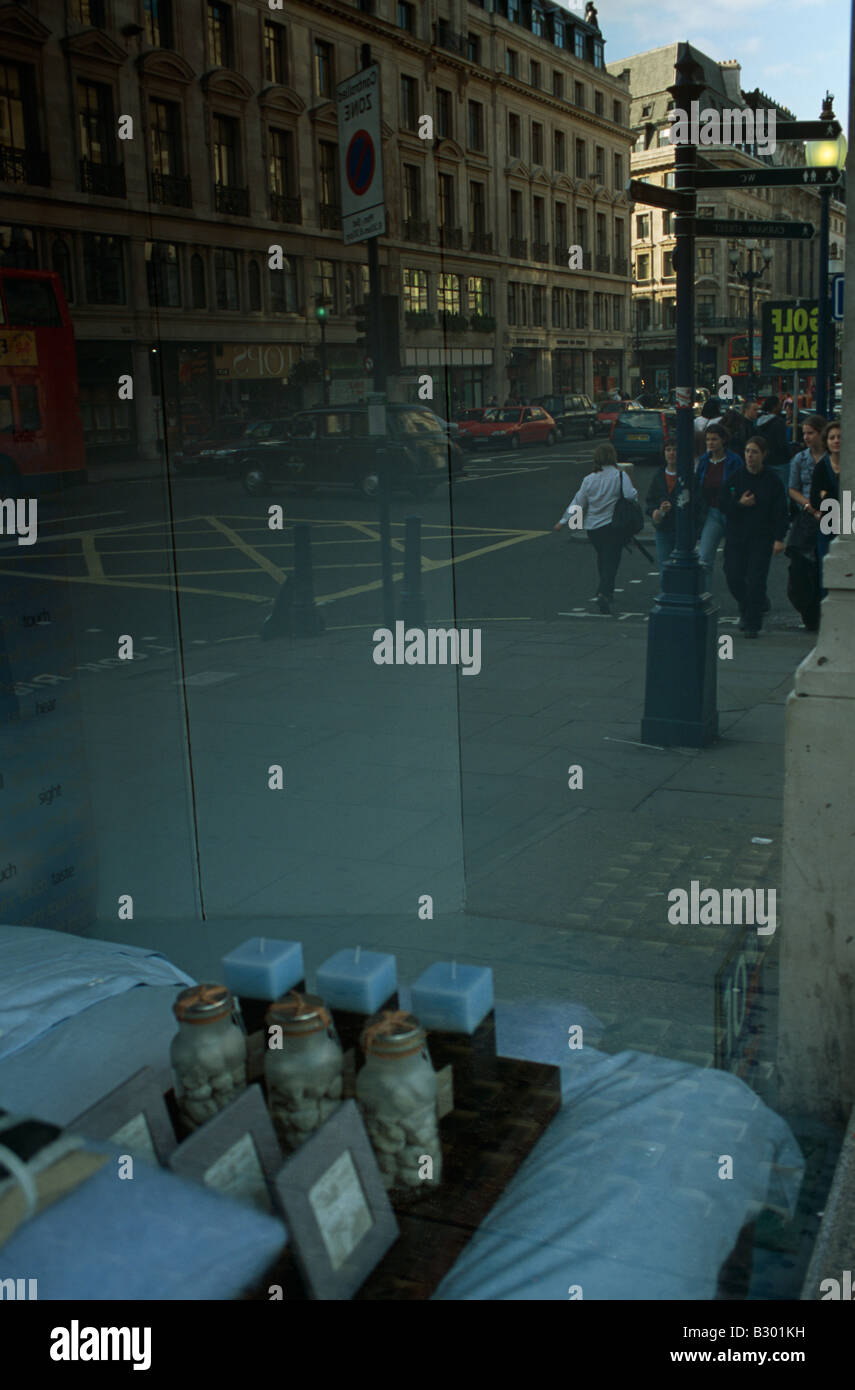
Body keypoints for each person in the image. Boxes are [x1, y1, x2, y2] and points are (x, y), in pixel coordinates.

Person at [553, 441, 638, 614]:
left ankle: (607, 592)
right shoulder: (620, 476)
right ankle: (604, 593)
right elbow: (630, 495)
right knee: (612, 561)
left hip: (593, 528)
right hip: (613, 526)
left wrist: (563, 521)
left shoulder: (589, 480)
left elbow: (578, 502)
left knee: (603, 558)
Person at [718, 435, 788, 637]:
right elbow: (723, 504)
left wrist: (778, 538)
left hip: (761, 537)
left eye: (755, 452)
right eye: (747, 451)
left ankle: (752, 623)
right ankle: (752, 605)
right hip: (736, 537)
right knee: (733, 576)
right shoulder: (736, 477)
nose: (750, 456)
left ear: (763, 455)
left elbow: (781, 512)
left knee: (756, 580)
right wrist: (739, 504)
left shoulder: (772, 480)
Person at [785, 414, 827, 631]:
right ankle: (808, 611)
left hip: (830, 515)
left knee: (822, 566)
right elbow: (792, 488)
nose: (807, 437)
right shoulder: (800, 459)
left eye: (811, 433)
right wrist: (808, 506)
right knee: (801, 566)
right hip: (807, 515)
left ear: (821, 433)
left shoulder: (832, 457)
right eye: (804, 433)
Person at [696, 422, 743, 584]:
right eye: (708, 440)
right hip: (712, 512)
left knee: (734, 563)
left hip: (732, 513)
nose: (710, 443)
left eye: (714, 439)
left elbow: (740, 484)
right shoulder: (704, 461)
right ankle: (705, 597)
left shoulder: (734, 461)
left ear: (723, 440)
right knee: (704, 559)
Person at [810, 420, 842, 597]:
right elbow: (816, 498)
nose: (836, 440)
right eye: (832, 438)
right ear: (827, 442)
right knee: (826, 567)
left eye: (840, 437)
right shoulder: (822, 467)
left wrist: (827, 495)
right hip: (828, 525)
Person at [646, 440, 680, 580]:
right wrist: (654, 511)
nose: (671, 453)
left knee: (680, 567)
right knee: (665, 568)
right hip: (663, 528)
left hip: (680, 529)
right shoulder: (659, 476)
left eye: (674, 449)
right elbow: (650, 501)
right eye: (668, 450)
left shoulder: (688, 476)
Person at [755, 395, 791, 490]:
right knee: (783, 490)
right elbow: (782, 443)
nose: (781, 407)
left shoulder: (758, 422)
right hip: (780, 462)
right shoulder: (778, 422)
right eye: (779, 405)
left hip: (765, 461)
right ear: (774, 407)